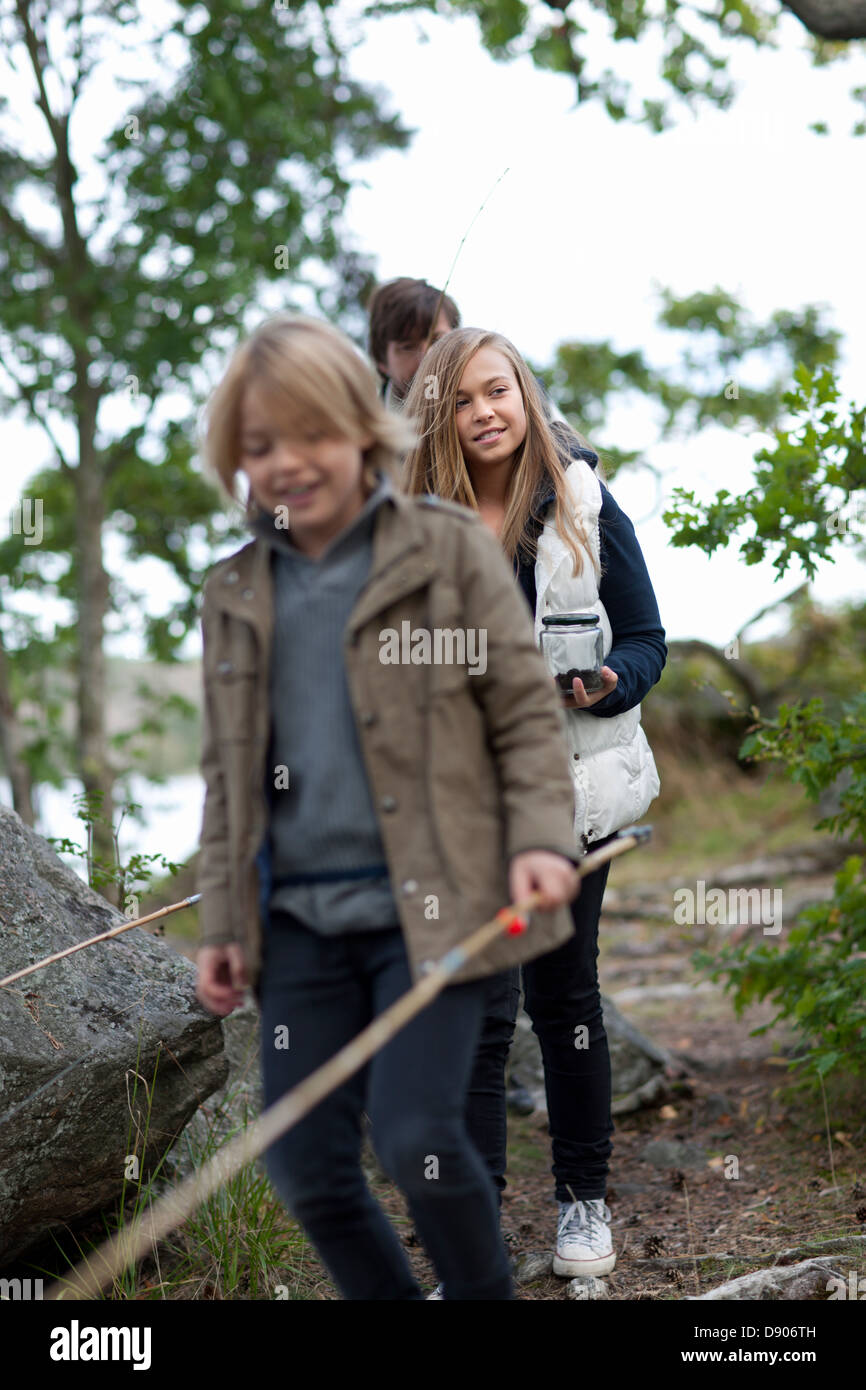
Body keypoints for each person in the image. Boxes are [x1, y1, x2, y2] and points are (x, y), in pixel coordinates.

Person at [193, 313, 585, 1301]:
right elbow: (227, 775)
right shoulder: (234, 590)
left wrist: (539, 840)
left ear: (363, 431)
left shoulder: (444, 551)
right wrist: (224, 922)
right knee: (304, 1164)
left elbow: (523, 718)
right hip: (299, 931)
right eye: (259, 445)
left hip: (436, 906)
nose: (288, 463)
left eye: (312, 434)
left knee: (416, 1138)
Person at [403, 327, 666, 1282]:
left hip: (573, 798)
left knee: (565, 1001)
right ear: (437, 413)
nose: (483, 411)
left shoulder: (587, 506)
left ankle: (582, 1208)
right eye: (462, 398)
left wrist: (609, 680)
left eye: (497, 391)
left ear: (524, 395)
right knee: (474, 1017)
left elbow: (647, 637)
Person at [367, 276, 459, 407]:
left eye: (437, 341)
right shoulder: (361, 426)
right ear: (382, 361)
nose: (426, 357)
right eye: (408, 347)